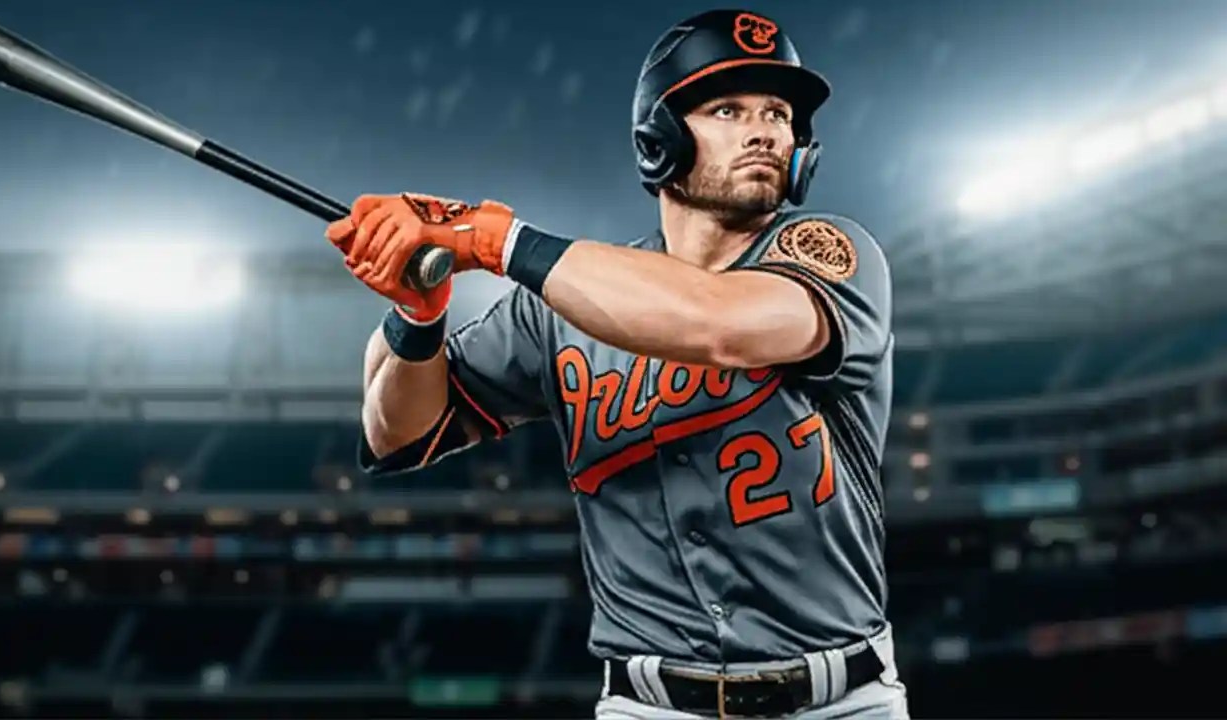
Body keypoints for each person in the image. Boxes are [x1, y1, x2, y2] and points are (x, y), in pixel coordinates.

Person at [327, 8, 903, 719]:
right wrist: (420, 316)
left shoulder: (832, 252)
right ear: (658, 141)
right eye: (728, 109)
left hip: (838, 701)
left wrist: (497, 241)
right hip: (648, 705)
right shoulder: (564, 304)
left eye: (779, 114)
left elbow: (715, 322)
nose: (764, 130)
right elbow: (399, 434)